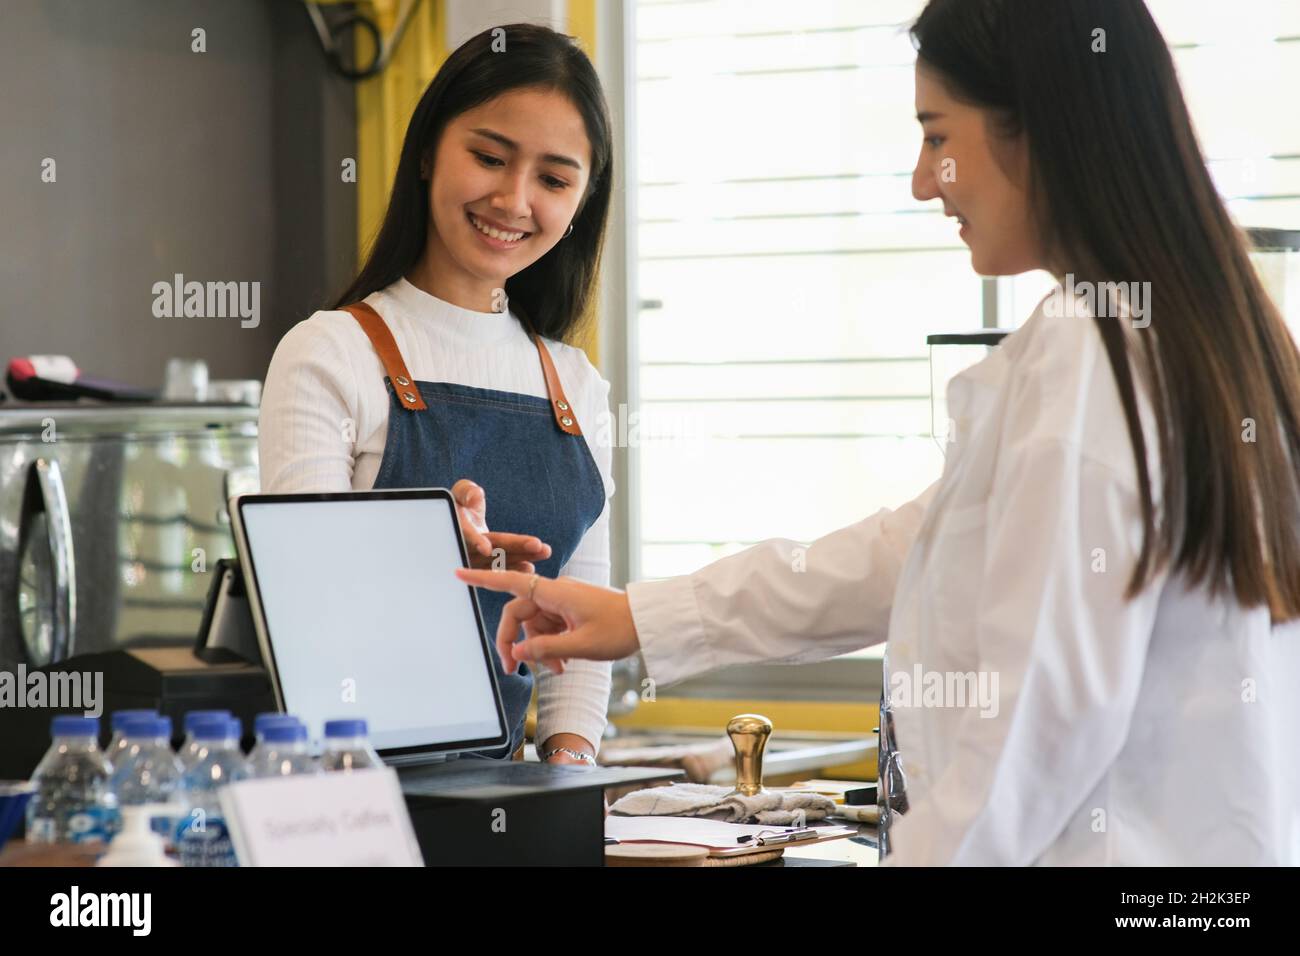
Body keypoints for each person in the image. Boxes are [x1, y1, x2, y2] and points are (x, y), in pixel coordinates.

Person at [459, 0, 1300, 863]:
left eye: (939, 136)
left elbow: (1032, 736)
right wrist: (642, 615)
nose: (921, 178)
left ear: (1038, 127)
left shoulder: (1093, 363)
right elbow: (907, 555)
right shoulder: (1205, 339)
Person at [260, 24, 616, 764]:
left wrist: (567, 776)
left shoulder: (576, 384)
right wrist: (416, 549)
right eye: (488, 157)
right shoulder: (329, 353)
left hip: (506, 802)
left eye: (553, 179)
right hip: (357, 792)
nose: (513, 200)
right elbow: (304, 615)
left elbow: (582, 632)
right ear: (427, 152)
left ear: (580, 203)